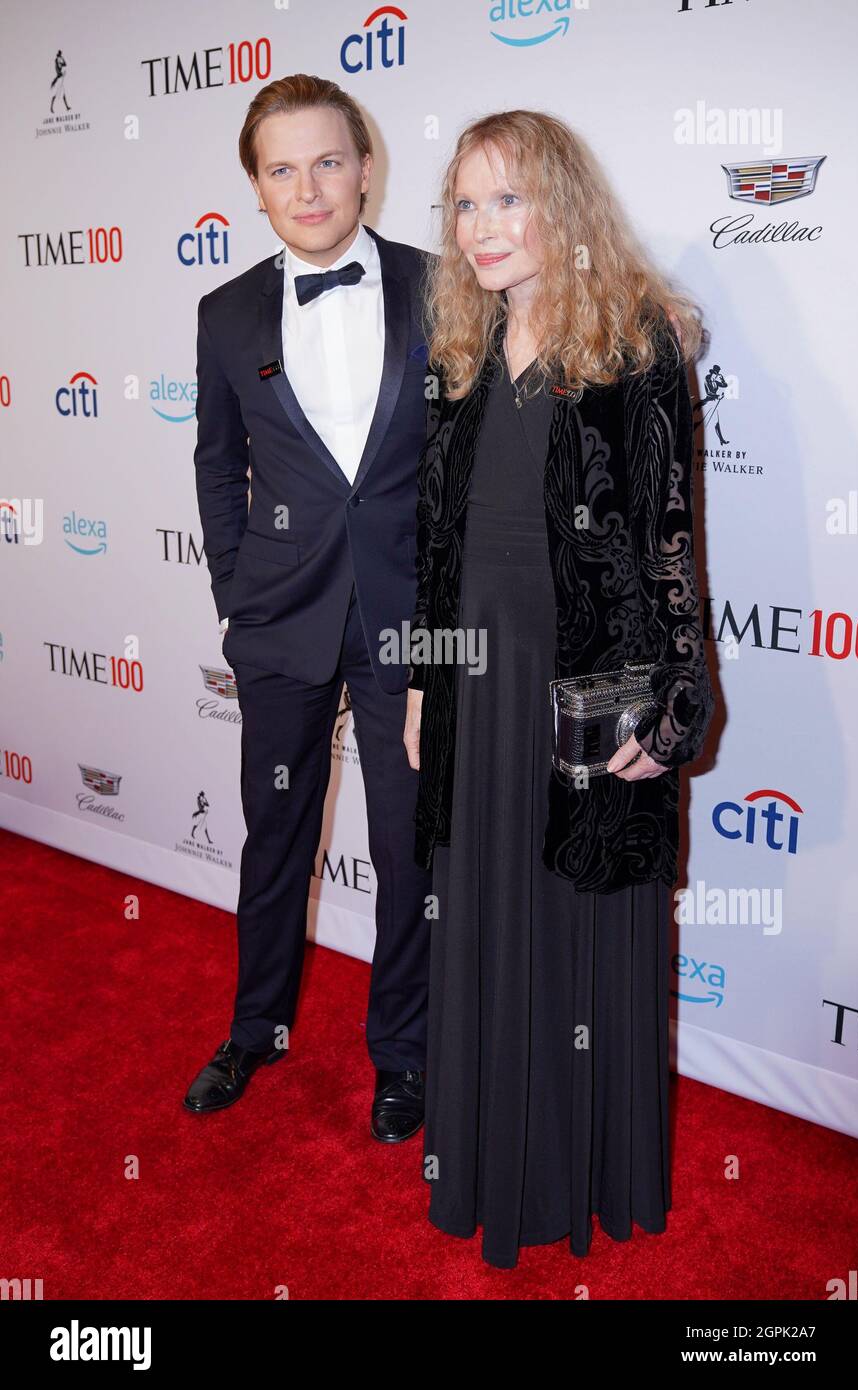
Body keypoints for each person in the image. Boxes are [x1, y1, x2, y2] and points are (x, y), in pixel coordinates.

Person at [403, 110, 715, 1267]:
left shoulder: (635, 338)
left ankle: (572, 1169)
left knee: (575, 918)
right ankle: (486, 1153)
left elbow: (669, 542)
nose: (481, 228)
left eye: (507, 200)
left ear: (563, 206)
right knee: (480, 915)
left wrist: (671, 701)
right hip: (475, 683)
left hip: (582, 688)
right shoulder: (459, 348)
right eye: (464, 204)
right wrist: (424, 688)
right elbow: (434, 548)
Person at [186, 74, 434, 1143]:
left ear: (366, 167)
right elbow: (215, 463)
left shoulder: (443, 287)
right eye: (280, 168)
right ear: (255, 189)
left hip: (412, 623)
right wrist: (237, 592)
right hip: (279, 622)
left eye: (327, 160)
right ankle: (256, 1030)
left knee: (411, 849)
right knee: (273, 836)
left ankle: (405, 1059)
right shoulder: (225, 309)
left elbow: (468, 476)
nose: (308, 185)